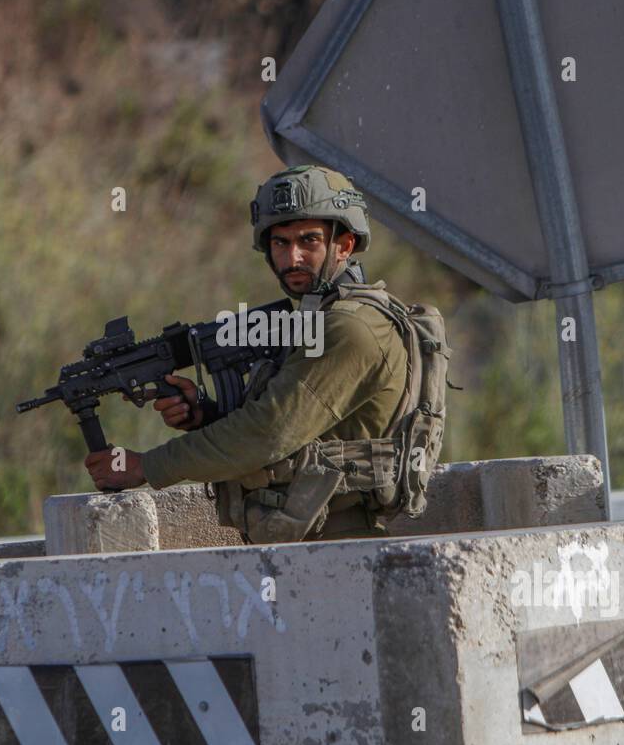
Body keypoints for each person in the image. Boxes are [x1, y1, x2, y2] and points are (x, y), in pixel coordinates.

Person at [84, 164, 424, 542]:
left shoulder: (350, 327)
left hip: (337, 544)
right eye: (280, 243)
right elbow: (298, 435)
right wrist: (206, 416)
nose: (292, 257)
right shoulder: (320, 318)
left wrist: (145, 466)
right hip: (304, 539)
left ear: (344, 245)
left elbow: (269, 433)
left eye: (308, 241)